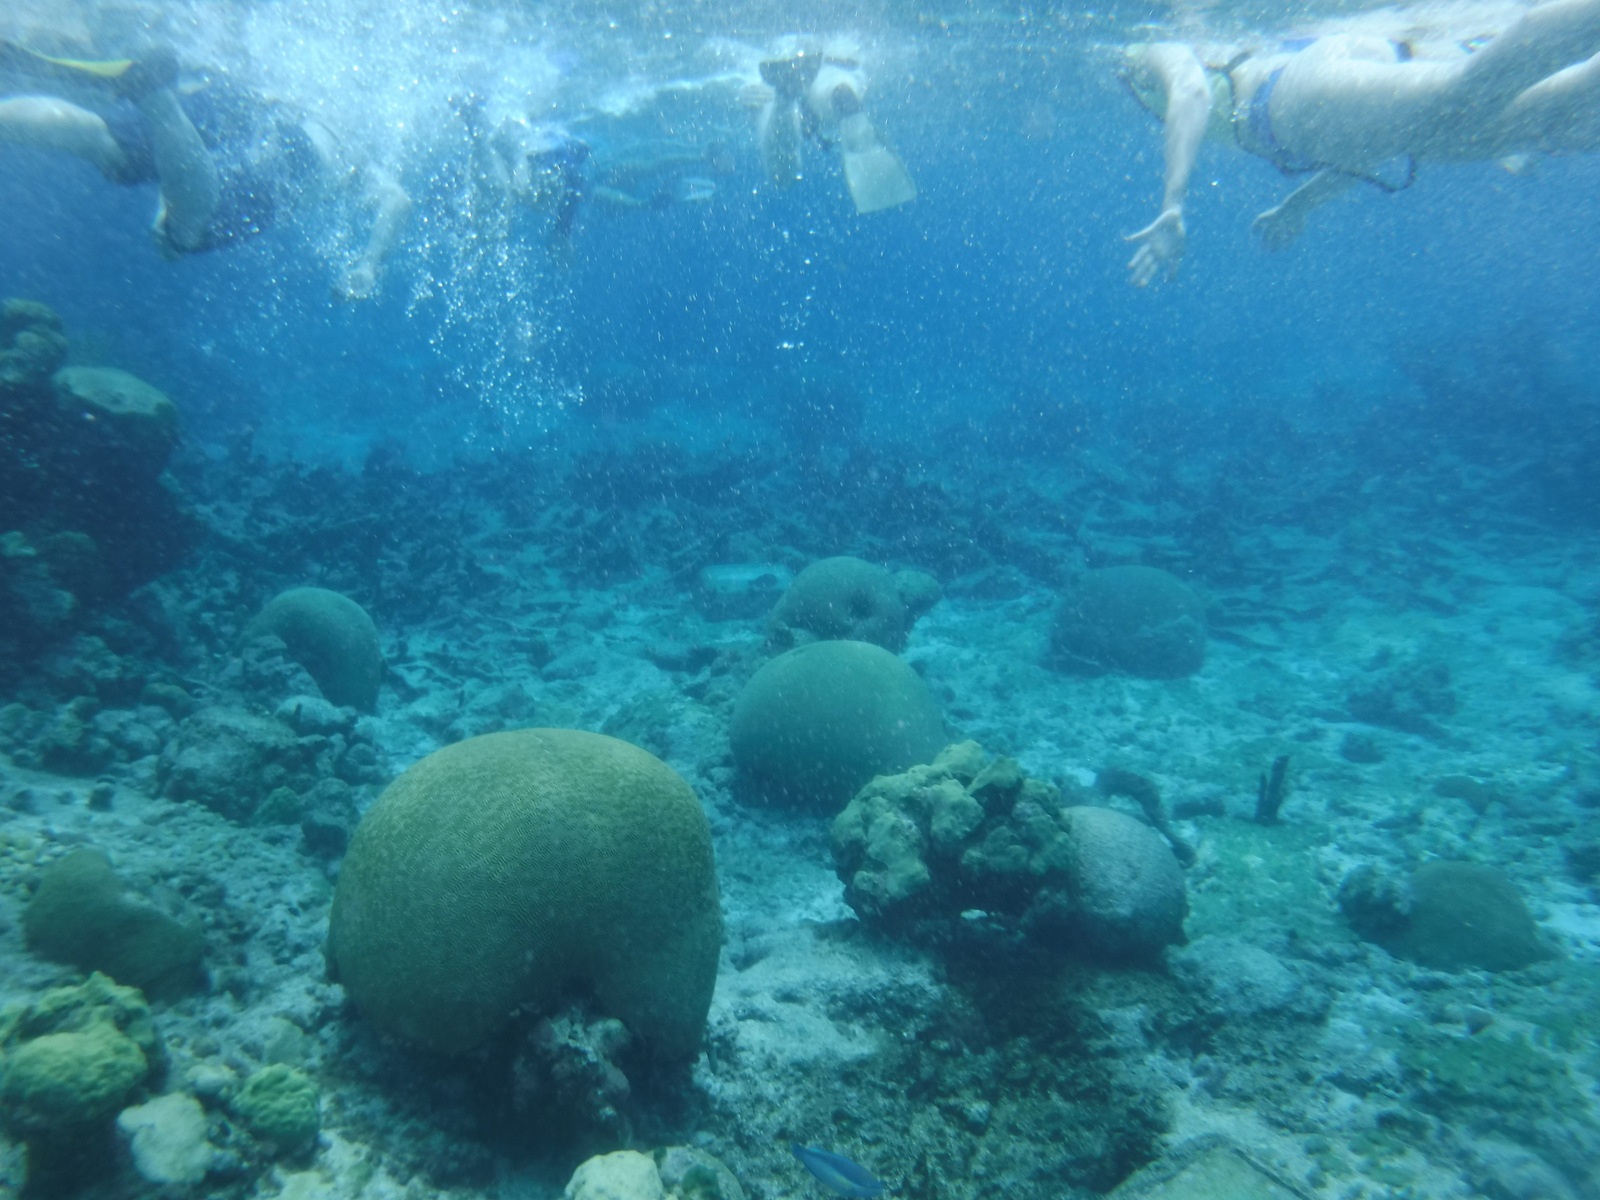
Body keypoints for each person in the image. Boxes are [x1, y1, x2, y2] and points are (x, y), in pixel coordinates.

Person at [1120, 0, 1600, 286]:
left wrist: (1173, 203)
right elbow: (1359, 143)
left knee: (1459, 93)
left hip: (1289, 99)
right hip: (1317, 107)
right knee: (1551, 120)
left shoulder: (1146, 53)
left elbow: (1191, 90)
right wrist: (1299, 206)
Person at [0, 41, 411, 299]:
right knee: (181, 238)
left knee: (108, 143)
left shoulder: (307, 97)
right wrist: (370, 264)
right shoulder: (357, 156)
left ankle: (148, 94)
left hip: (237, 100)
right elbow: (398, 201)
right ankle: (157, 100)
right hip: (296, 160)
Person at [755, 41, 917, 214]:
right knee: (782, 178)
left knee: (782, 177)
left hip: (805, 77)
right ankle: (830, 95)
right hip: (830, 72)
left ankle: (785, 94)